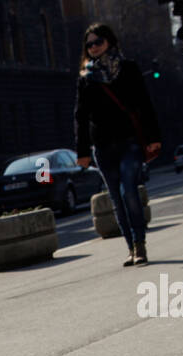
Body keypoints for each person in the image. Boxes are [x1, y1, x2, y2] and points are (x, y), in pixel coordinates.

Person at [74, 22, 162, 266]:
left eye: (97, 42)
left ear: (109, 42)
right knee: (116, 198)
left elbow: (144, 103)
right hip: (102, 147)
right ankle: (131, 247)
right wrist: (82, 151)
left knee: (129, 192)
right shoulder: (85, 78)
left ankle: (140, 244)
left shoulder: (128, 68)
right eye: (89, 44)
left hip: (129, 141)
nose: (93, 47)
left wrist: (154, 138)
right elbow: (80, 116)